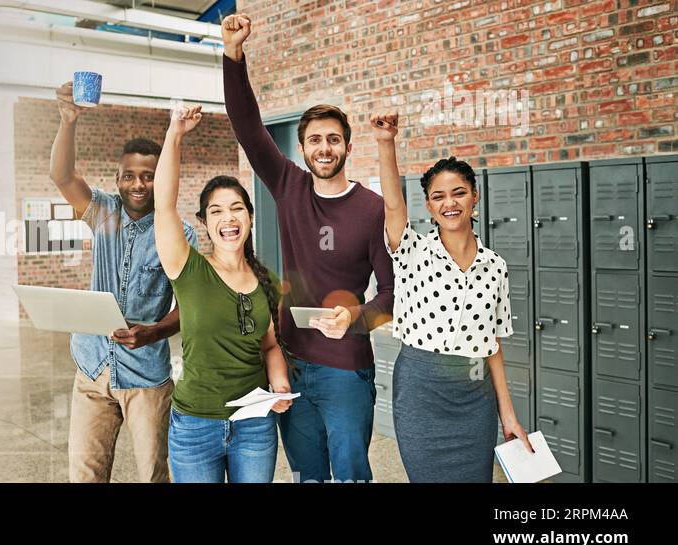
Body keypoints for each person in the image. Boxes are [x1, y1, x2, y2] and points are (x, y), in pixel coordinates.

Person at [220, 12, 394, 483]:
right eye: (314, 140)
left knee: (352, 475)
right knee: (307, 476)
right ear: (301, 149)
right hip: (292, 364)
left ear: (347, 147)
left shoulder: (372, 207)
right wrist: (233, 55)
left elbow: (393, 297)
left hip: (346, 370)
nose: (324, 147)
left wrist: (355, 317)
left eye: (333, 139)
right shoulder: (288, 186)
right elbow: (247, 125)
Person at [50, 81, 199, 483]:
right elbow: (62, 175)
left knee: (154, 474)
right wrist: (68, 121)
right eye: (129, 176)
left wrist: (154, 332)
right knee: (85, 475)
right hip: (92, 367)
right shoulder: (103, 212)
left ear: (161, 178)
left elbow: (191, 305)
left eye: (149, 176)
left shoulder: (180, 234)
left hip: (146, 377)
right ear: (116, 178)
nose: (138, 184)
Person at [374, 114, 534, 482]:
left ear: (474, 197)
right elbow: (394, 205)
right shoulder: (411, 249)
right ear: (429, 207)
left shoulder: (495, 266)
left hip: (474, 399)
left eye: (459, 192)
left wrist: (507, 416)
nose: (450, 203)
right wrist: (386, 143)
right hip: (420, 389)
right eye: (438, 196)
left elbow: (492, 345)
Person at [152, 103, 293, 483]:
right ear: (204, 222)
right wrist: (175, 134)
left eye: (236, 210)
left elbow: (270, 346)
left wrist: (279, 384)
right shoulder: (189, 267)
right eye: (216, 212)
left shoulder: (268, 281)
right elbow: (162, 206)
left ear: (249, 216)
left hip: (254, 426)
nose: (227, 219)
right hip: (195, 426)